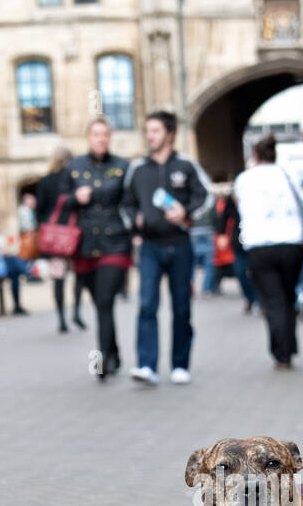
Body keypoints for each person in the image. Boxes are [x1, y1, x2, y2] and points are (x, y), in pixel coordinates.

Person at [121, 110, 214, 386]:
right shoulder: (137, 168)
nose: (149, 136)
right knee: (147, 304)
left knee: (181, 307)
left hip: (180, 245)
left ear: (170, 134)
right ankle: (146, 365)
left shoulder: (186, 165)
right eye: (147, 131)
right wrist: (134, 222)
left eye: (155, 131)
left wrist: (187, 212)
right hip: (149, 247)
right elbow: (125, 204)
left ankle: (180, 364)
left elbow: (206, 196)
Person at [62, 118, 131, 378]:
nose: (100, 139)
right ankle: (113, 352)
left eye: (105, 134)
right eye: (95, 134)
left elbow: (130, 201)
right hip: (86, 247)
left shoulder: (122, 167)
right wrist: (74, 198)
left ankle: (101, 361)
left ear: (110, 137)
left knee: (104, 300)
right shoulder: (75, 167)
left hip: (114, 243)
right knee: (101, 304)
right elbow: (59, 203)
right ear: (88, 137)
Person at [233, 135, 303, 369]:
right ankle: (290, 345)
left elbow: (238, 205)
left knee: (273, 301)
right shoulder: (288, 174)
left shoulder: (244, 179)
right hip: (291, 243)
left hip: (260, 245)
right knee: (288, 296)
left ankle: (280, 352)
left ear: (255, 156)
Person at [35, 143, 76, 333]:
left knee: (58, 279)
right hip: (75, 234)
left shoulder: (46, 181)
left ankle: (62, 318)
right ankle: (76, 311)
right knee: (81, 276)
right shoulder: (74, 181)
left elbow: (39, 211)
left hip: (55, 240)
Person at [214, 190, 257, 312]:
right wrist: (221, 234)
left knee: (258, 272)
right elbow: (224, 216)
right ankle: (249, 297)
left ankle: (260, 300)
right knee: (240, 271)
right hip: (239, 239)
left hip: (258, 240)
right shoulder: (237, 192)